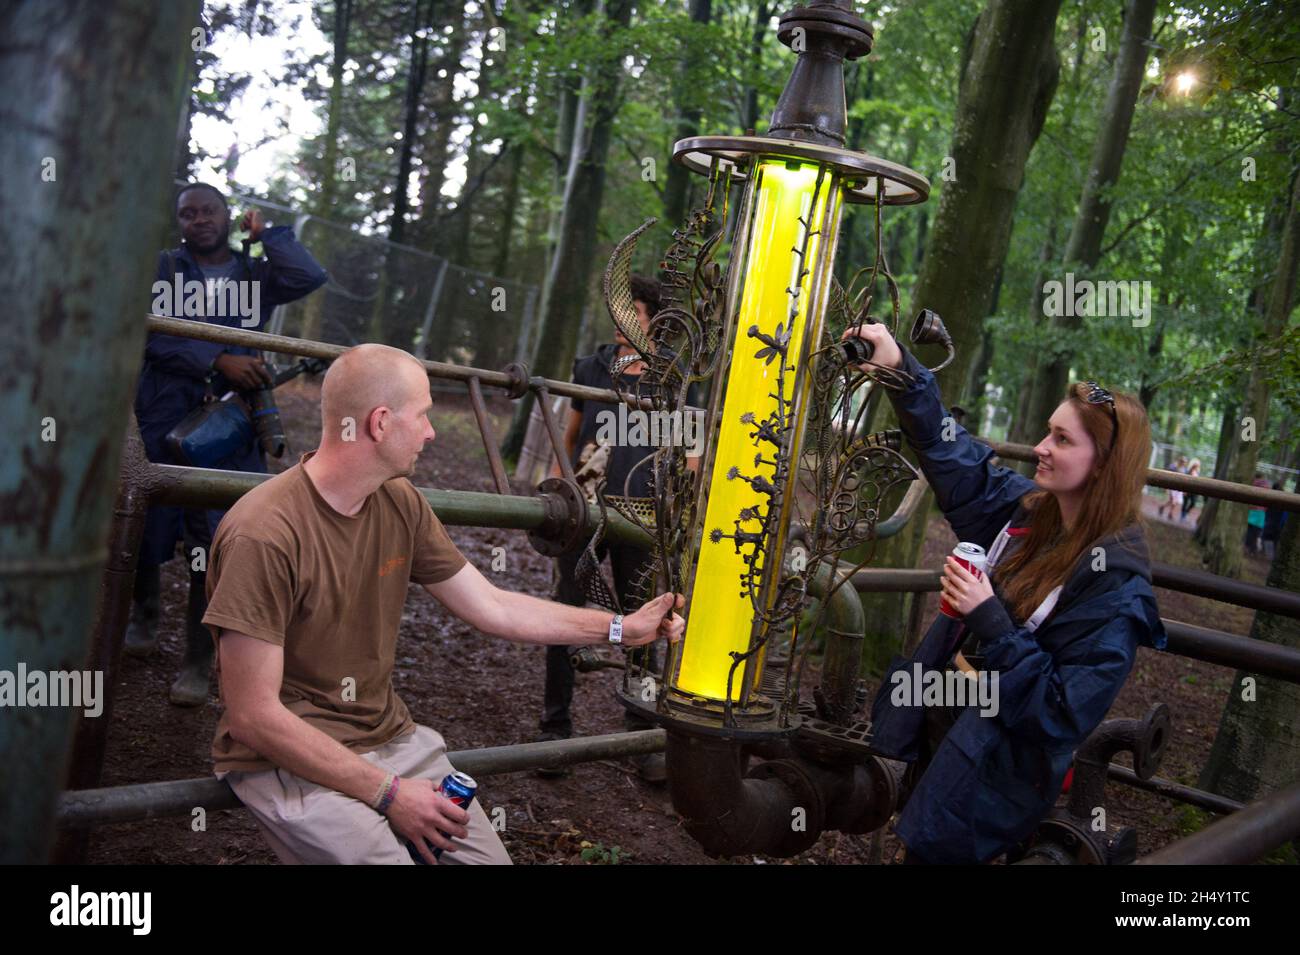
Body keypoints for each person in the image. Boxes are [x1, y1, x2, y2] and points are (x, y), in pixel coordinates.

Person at [203, 344, 686, 864]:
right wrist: (387, 793)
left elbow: (493, 606)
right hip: (288, 757)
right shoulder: (264, 533)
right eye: (425, 414)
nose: (432, 431)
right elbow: (253, 716)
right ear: (381, 423)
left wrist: (621, 628)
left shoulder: (399, 500)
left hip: (389, 739)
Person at [847, 322, 1166, 865]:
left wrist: (990, 620)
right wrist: (902, 370)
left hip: (993, 772)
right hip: (946, 729)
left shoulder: (1115, 585)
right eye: (1049, 432)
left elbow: (1062, 713)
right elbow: (958, 461)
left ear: (1106, 465)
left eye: (1062, 440)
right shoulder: (1026, 511)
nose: (1041, 448)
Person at [127, 182, 328, 706]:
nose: (198, 220)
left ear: (227, 215)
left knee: (214, 539)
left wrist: (268, 237)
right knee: (146, 520)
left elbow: (309, 275)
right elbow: (144, 334)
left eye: (208, 210)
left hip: (232, 424)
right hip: (164, 414)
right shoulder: (164, 270)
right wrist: (215, 359)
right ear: (179, 222)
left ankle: (196, 661)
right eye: (188, 213)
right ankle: (143, 613)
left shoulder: (254, 272)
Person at [539, 275, 699, 783]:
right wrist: (564, 490)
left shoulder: (673, 376)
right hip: (586, 511)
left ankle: (639, 735)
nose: (620, 319)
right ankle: (553, 732)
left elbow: (688, 452)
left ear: (654, 316)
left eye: (631, 310)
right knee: (566, 609)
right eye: (616, 310)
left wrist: (678, 508)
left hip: (643, 514)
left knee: (643, 618)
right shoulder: (591, 366)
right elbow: (568, 434)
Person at [1245, 473, 1270, 555]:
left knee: (1250, 532)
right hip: (1260, 513)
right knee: (1256, 533)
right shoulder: (1266, 485)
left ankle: (1247, 548)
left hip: (1252, 511)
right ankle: (1253, 550)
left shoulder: (1253, 484)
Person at [1262, 480, 1287, 561]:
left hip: (1271, 524)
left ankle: (1270, 557)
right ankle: (1272, 557)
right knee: (1273, 541)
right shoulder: (1285, 498)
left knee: (1268, 538)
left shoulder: (1271, 497)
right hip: (1277, 525)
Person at [1159, 455, 1187, 521]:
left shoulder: (1185, 469)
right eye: (1182, 461)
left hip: (1180, 488)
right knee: (1173, 501)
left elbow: (1185, 479)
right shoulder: (1173, 466)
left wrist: (1184, 489)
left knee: (1175, 501)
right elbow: (1168, 476)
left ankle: (1163, 507)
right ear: (1180, 461)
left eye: (1185, 462)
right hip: (1173, 487)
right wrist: (1166, 487)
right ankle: (1170, 514)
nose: (1183, 463)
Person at [1180, 458, 1201, 523]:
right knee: (1185, 503)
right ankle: (1182, 516)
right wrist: (1184, 490)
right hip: (1187, 490)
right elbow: (1185, 481)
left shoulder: (1197, 472)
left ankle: (1185, 513)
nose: (1196, 466)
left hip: (1193, 491)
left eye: (1197, 465)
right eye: (1195, 465)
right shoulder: (1188, 471)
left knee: (1193, 503)